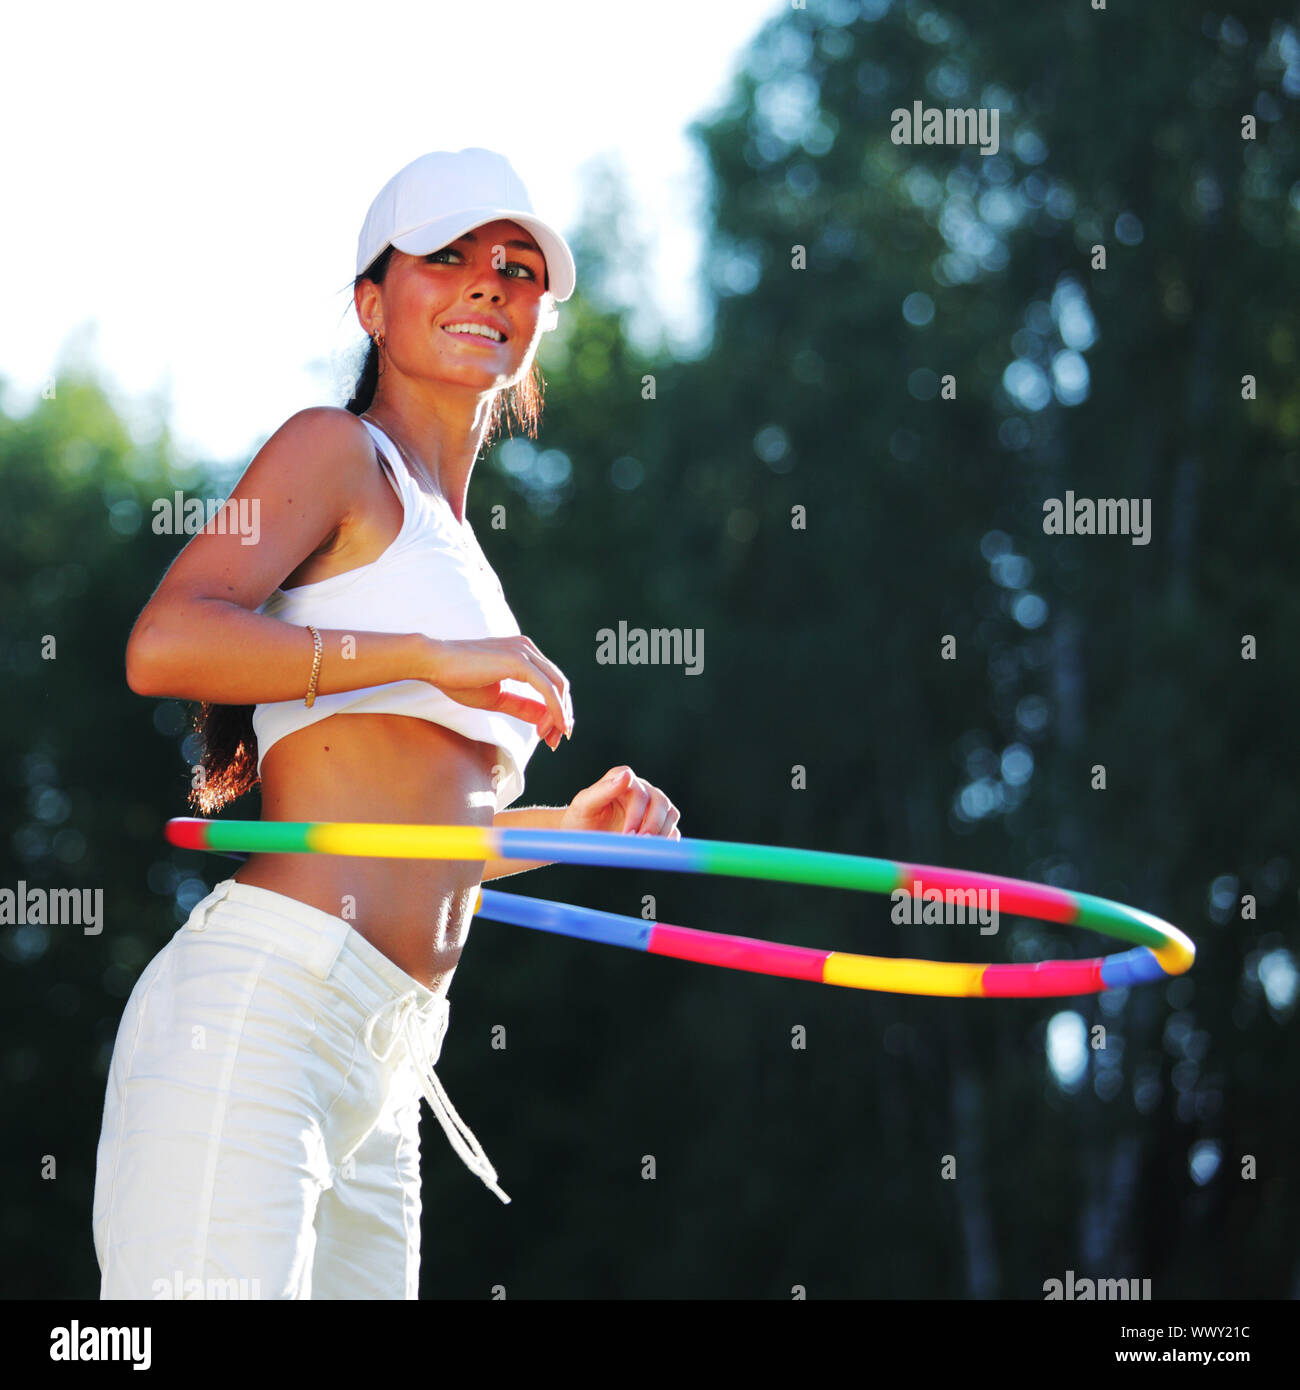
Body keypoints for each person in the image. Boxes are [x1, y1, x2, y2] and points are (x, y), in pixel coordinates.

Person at [93, 148, 681, 1300]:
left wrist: (570, 822)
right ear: (372, 301)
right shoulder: (336, 452)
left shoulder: (466, 561)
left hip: (391, 1060)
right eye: (448, 258)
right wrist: (422, 655)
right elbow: (161, 642)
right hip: (264, 1011)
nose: (487, 284)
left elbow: (415, 838)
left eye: (516, 269)